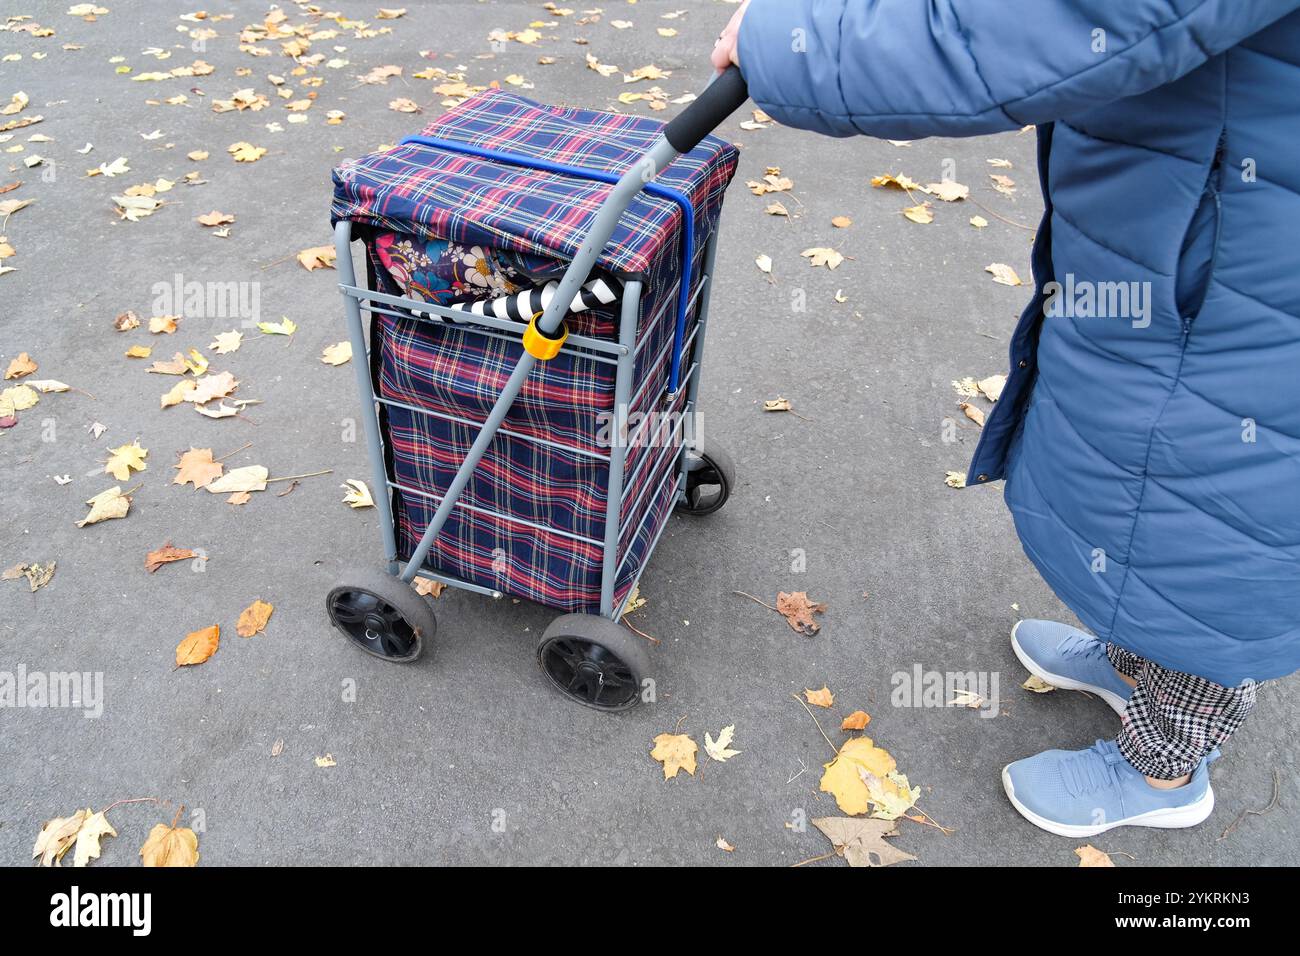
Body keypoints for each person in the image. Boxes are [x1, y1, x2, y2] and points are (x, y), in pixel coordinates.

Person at [713, 0, 1300, 837]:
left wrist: (792, 44)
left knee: (1218, 524)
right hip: (1205, 207)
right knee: (1156, 492)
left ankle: (1166, 772)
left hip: (1247, 255)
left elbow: (1071, 17)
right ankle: (1137, 654)